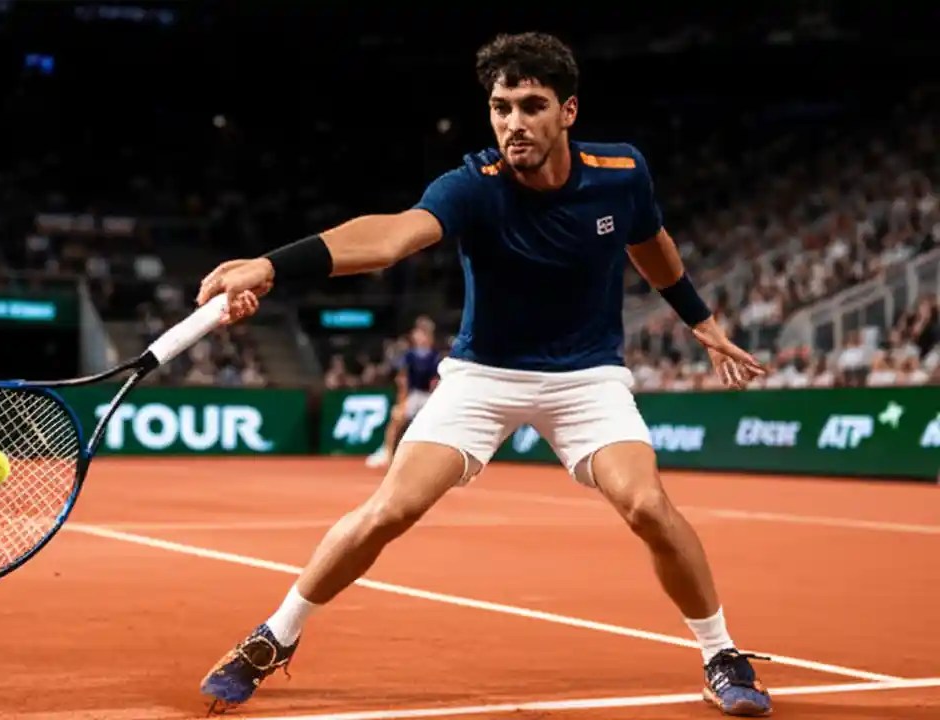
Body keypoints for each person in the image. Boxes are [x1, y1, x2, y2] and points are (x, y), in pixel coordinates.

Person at [194, 32, 773, 718]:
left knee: (647, 505)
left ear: (569, 112)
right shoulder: (473, 186)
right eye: (501, 107)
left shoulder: (622, 172)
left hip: (586, 379)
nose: (513, 123)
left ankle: (720, 653)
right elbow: (386, 240)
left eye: (531, 106)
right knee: (391, 509)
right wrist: (269, 265)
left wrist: (698, 319)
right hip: (483, 376)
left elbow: (650, 243)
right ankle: (275, 635)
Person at [365, 321, 441, 469]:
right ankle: (386, 452)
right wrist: (403, 400)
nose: (420, 337)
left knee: (436, 427)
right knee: (396, 420)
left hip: (428, 397)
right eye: (417, 333)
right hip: (413, 395)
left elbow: (436, 379)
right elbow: (402, 378)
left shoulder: (435, 355)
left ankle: (436, 460)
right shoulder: (409, 355)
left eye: (423, 334)